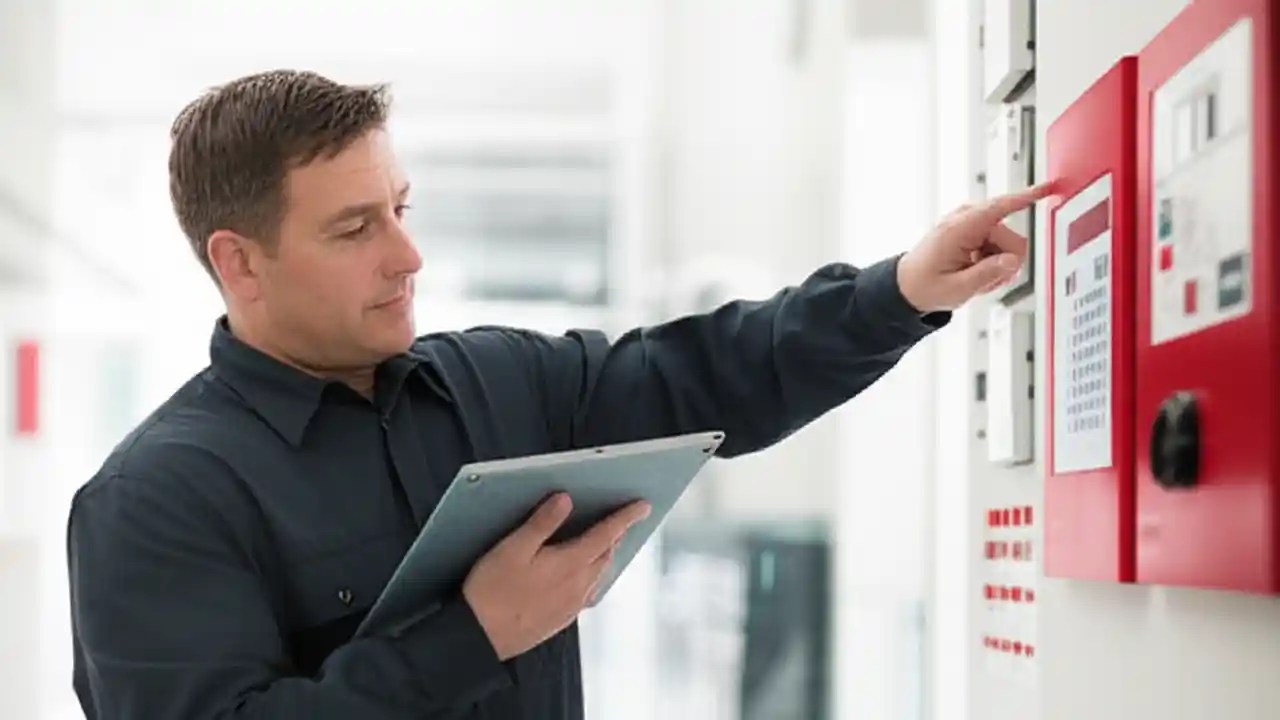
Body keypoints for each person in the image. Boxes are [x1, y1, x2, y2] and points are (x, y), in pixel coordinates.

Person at [66, 69, 1048, 720]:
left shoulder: (498, 382)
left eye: (400, 209)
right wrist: (475, 635)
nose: (407, 255)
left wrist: (901, 291)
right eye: (353, 227)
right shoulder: (155, 501)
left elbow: (709, 375)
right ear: (240, 263)